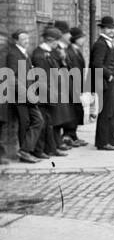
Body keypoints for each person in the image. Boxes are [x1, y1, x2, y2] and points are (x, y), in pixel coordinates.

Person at [30, 27, 68, 158]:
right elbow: (41, 78)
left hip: (52, 93)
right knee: (44, 124)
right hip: (43, 95)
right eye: (56, 42)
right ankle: (40, 150)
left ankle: (51, 148)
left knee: (50, 123)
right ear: (51, 41)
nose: (57, 45)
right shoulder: (39, 55)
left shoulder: (49, 53)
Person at [5, 30, 42, 163]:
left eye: (27, 38)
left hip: (28, 95)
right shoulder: (14, 54)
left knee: (36, 120)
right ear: (16, 41)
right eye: (23, 39)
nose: (27, 41)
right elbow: (12, 76)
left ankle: (25, 150)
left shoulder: (24, 53)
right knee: (26, 123)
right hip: (20, 96)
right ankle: (25, 152)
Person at [90, 17, 114, 151]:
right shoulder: (101, 44)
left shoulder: (107, 43)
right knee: (105, 112)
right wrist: (109, 75)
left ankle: (110, 140)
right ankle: (102, 142)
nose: (111, 31)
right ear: (102, 29)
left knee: (111, 111)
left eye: (112, 28)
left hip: (109, 82)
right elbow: (97, 64)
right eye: (108, 28)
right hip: (104, 82)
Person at [65, 27, 89, 147]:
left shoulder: (76, 50)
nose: (83, 39)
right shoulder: (69, 52)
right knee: (74, 110)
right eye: (81, 38)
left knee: (77, 110)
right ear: (75, 39)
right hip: (72, 85)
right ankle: (69, 135)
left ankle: (73, 135)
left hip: (76, 85)